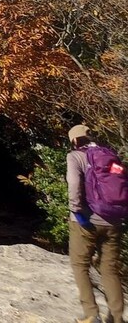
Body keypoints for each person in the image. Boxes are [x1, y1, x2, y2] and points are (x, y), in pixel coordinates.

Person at [67, 124, 124, 323]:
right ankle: (117, 318)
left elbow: (74, 184)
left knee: (80, 264)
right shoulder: (110, 155)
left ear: (74, 141)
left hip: (86, 221)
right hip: (114, 220)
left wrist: (76, 209)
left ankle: (91, 314)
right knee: (109, 269)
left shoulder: (75, 156)